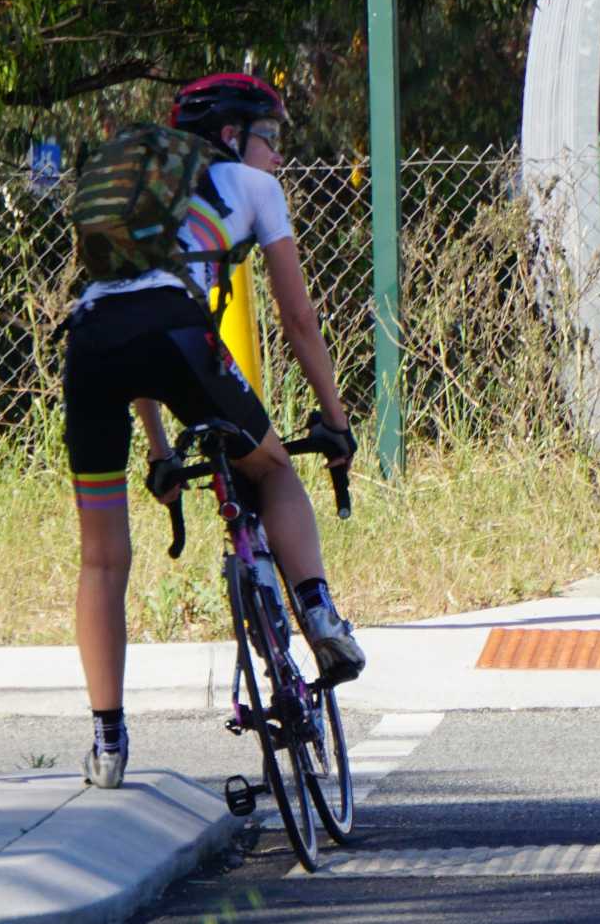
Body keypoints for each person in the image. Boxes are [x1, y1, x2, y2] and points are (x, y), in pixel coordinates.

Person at [59, 71, 364, 789]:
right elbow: (298, 320)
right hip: (178, 336)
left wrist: (162, 455)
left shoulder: (142, 199)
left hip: (90, 341)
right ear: (233, 136)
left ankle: (107, 743)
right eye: (270, 139)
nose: (278, 156)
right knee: (273, 468)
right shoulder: (254, 188)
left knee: (101, 559)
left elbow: (128, 320)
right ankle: (318, 613)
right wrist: (336, 419)